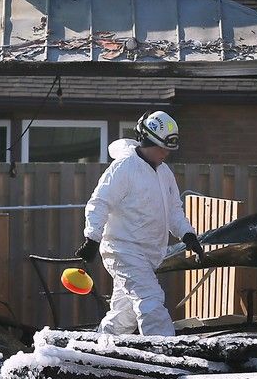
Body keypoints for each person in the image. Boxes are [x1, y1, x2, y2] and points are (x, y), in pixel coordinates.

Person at [75, 111, 206, 337]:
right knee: (151, 301)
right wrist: (92, 238)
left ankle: (101, 349)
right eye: (161, 148)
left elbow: (174, 210)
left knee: (124, 315)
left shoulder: (164, 173)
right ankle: (164, 354)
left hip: (147, 255)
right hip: (123, 251)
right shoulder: (124, 168)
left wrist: (188, 235)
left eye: (169, 149)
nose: (166, 153)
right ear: (147, 141)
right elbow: (100, 202)